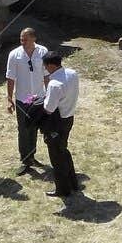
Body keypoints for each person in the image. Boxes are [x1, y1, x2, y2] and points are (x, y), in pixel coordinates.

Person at [5, 27, 48, 176]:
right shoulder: (14, 55)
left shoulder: (43, 52)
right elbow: (10, 78)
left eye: (25, 39)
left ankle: (32, 156)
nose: (22, 42)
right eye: (21, 39)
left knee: (34, 127)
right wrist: (9, 99)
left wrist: (49, 94)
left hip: (38, 98)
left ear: (33, 38)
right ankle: (25, 160)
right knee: (23, 129)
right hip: (23, 98)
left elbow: (46, 75)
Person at [39, 51, 80, 199]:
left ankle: (63, 189)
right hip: (69, 117)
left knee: (56, 156)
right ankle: (73, 182)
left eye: (45, 66)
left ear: (50, 65)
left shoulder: (54, 84)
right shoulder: (72, 73)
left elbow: (49, 109)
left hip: (57, 122)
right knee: (63, 149)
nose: (45, 69)